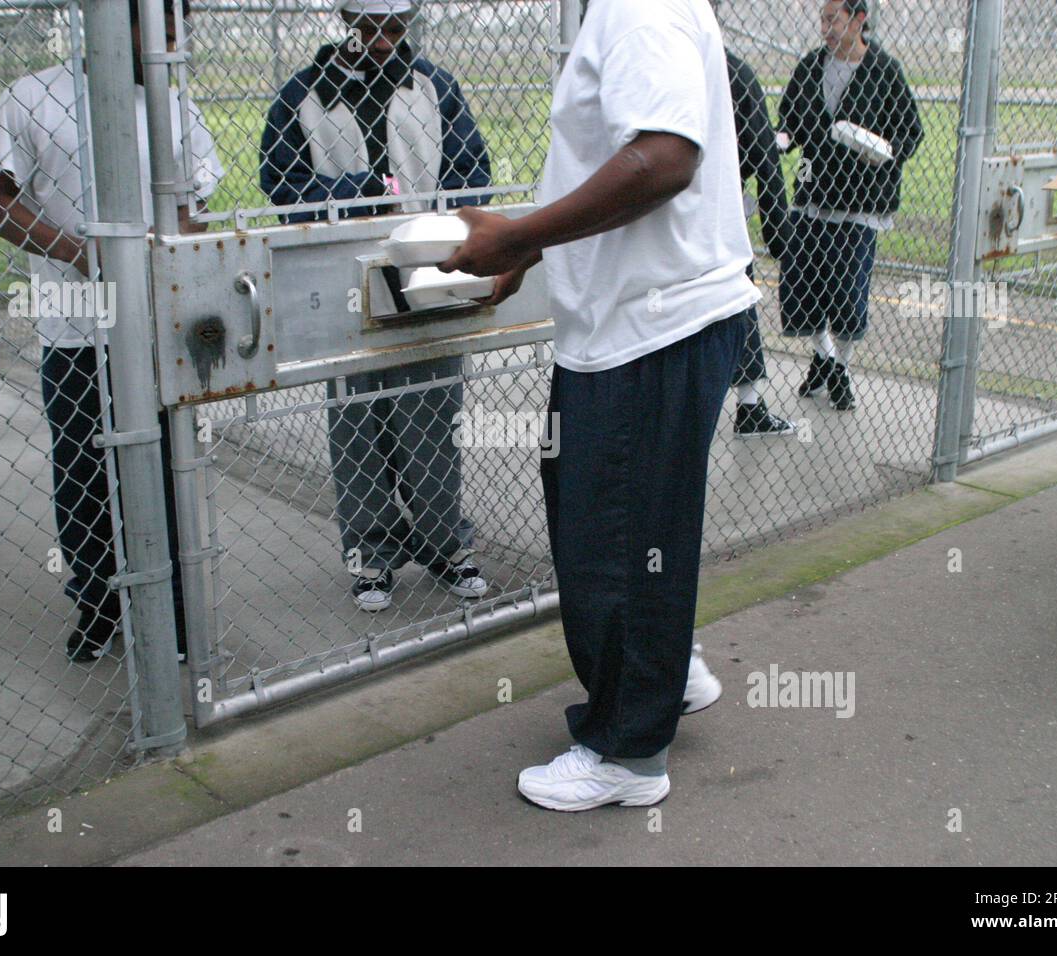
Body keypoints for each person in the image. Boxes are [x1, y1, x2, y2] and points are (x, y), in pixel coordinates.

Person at [441, 0, 755, 811]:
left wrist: (514, 238)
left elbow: (663, 159)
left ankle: (627, 751)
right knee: (639, 524)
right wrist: (536, 244)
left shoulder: (637, 9)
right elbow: (625, 156)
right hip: (655, 320)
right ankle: (663, 670)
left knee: (609, 534)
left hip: (645, 329)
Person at [0, 0, 224, 662]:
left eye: (181, 31)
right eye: (163, 29)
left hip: (156, 330)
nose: (175, 43)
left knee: (171, 469)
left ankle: (172, 608)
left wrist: (170, 248)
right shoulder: (34, 96)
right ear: (118, 22)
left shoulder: (175, 106)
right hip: (76, 327)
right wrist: (75, 249)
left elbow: (197, 210)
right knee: (84, 470)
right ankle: (98, 603)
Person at [258, 0, 492, 612]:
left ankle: (445, 545)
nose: (382, 40)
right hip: (343, 275)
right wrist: (350, 195)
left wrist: (437, 218)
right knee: (358, 420)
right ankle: (371, 554)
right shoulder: (304, 93)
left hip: (424, 269)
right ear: (346, 24)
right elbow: (279, 181)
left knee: (431, 412)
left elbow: (474, 169)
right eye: (368, 28)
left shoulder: (433, 85)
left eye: (393, 27)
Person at [777, 0, 923, 410]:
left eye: (832, 19)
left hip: (859, 204)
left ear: (858, 20)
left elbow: (909, 132)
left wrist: (880, 153)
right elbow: (789, 119)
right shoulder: (810, 67)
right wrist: (783, 139)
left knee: (846, 291)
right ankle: (822, 355)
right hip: (812, 197)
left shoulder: (884, 71)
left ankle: (840, 366)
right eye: (822, 20)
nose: (824, 28)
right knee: (802, 286)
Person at [727, 48, 797, 438]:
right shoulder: (731, 70)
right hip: (717, 211)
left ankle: (750, 406)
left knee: (737, 297)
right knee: (737, 297)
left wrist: (777, 233)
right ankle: (749, 404)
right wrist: (778, 232)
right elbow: (763, 156)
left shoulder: (731, 71)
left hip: (672, 208)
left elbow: (763, 153)